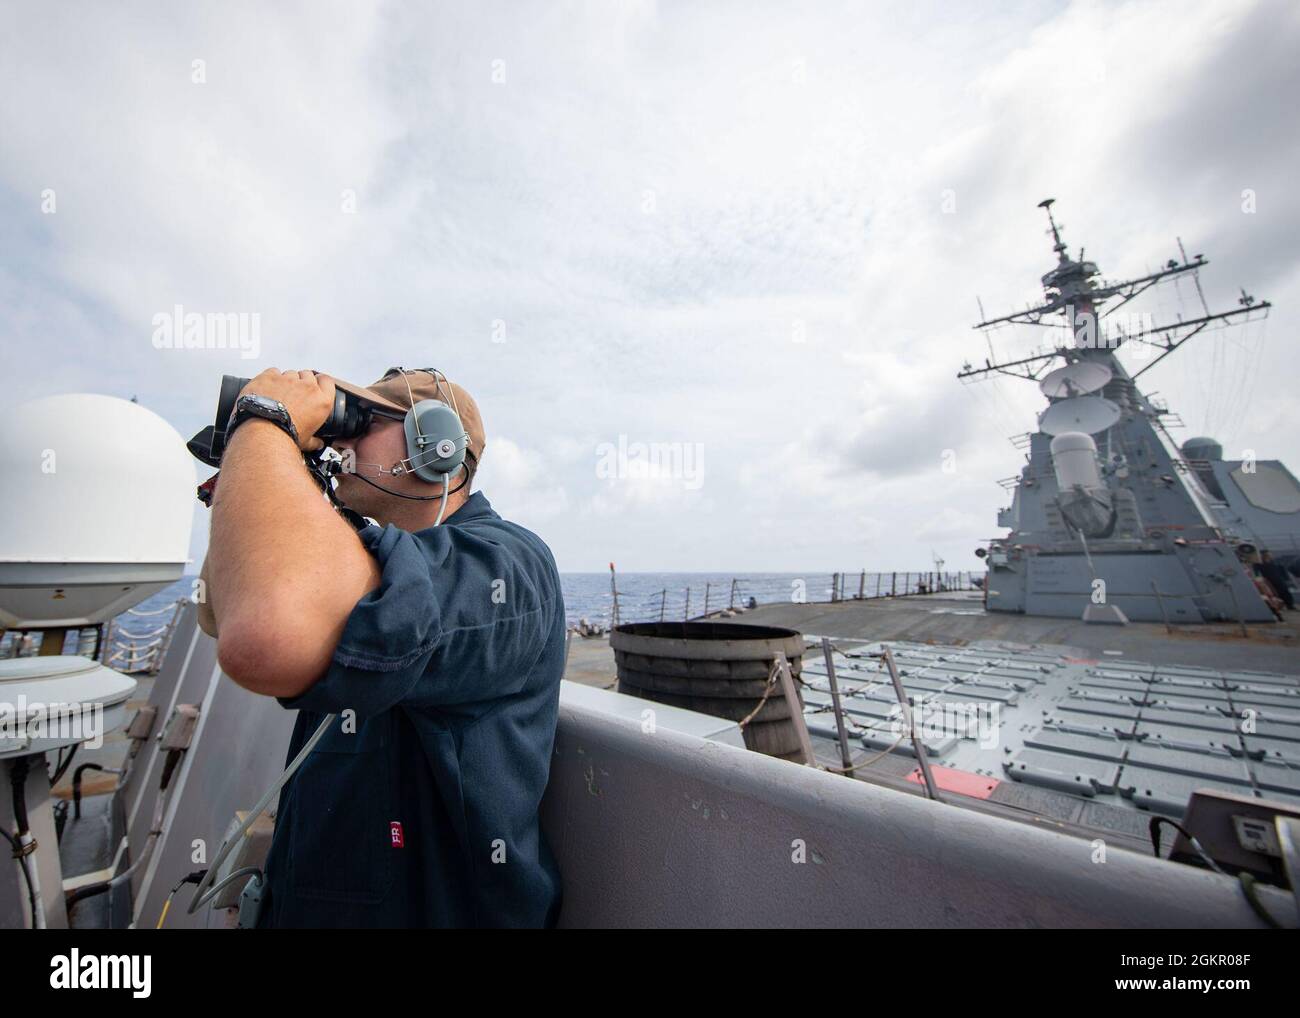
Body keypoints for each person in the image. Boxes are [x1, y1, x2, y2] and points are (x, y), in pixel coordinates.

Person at [198, 366, 565, 927]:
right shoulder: (360, 558)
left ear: (434, 440)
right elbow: (221, 609)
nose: (337, 439)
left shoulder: (506, 566)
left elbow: (266, 635)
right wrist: (272, 465)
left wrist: (266, 419)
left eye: (361, 422)